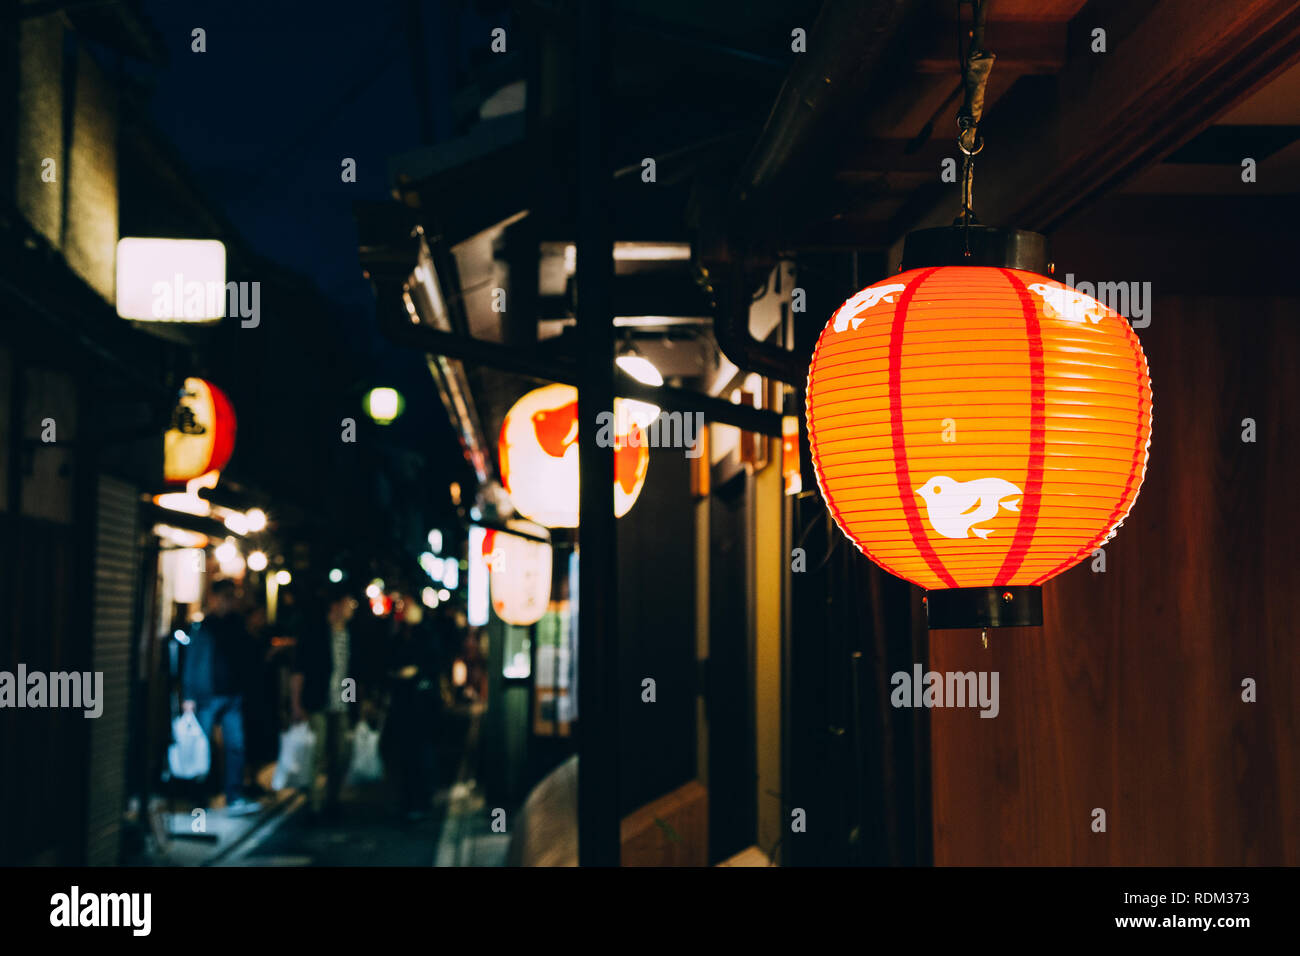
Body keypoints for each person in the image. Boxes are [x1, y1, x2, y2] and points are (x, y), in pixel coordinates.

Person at [182, 579, 260, 815]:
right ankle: (200, 796)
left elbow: (247, 658)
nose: (228, 601)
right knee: (202, 746)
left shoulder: (238, 624)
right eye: (224, 596)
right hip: (207, 695)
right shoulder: (203, 626)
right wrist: (188, 696)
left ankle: (233, 795)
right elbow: (192, 662)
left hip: (233, 695)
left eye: (231, 596)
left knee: (235, 745)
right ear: (214, 597)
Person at [290, 582, 357, 819]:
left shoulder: (350, 634)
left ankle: (332, 800)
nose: (351, 609)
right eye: (348, 604)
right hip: (317, 702)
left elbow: (351, 671)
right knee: (316, 756)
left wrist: (352, 701)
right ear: (336, 606)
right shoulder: (315, 632)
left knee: (339, 755)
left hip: (341, 704)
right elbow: (299, 669)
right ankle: (315, 805)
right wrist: (297, 704)